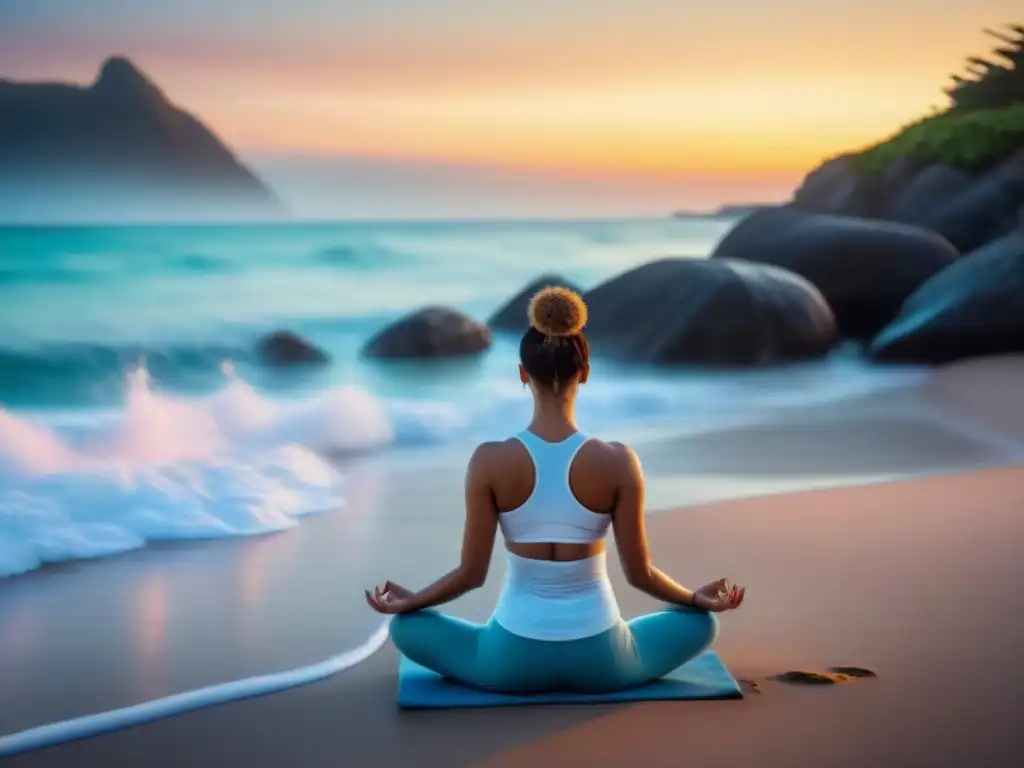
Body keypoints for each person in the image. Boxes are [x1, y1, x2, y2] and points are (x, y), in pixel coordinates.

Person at [365, 287, 745, 694]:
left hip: (509, 664)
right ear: (585, 372)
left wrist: (414, 602)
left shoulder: (489, 460)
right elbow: (642, 575)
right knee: (702, 622)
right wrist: (693, 598)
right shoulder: (618, 461)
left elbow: (470, 575)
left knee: (406, 627)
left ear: (522, 374)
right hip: (604, 662)